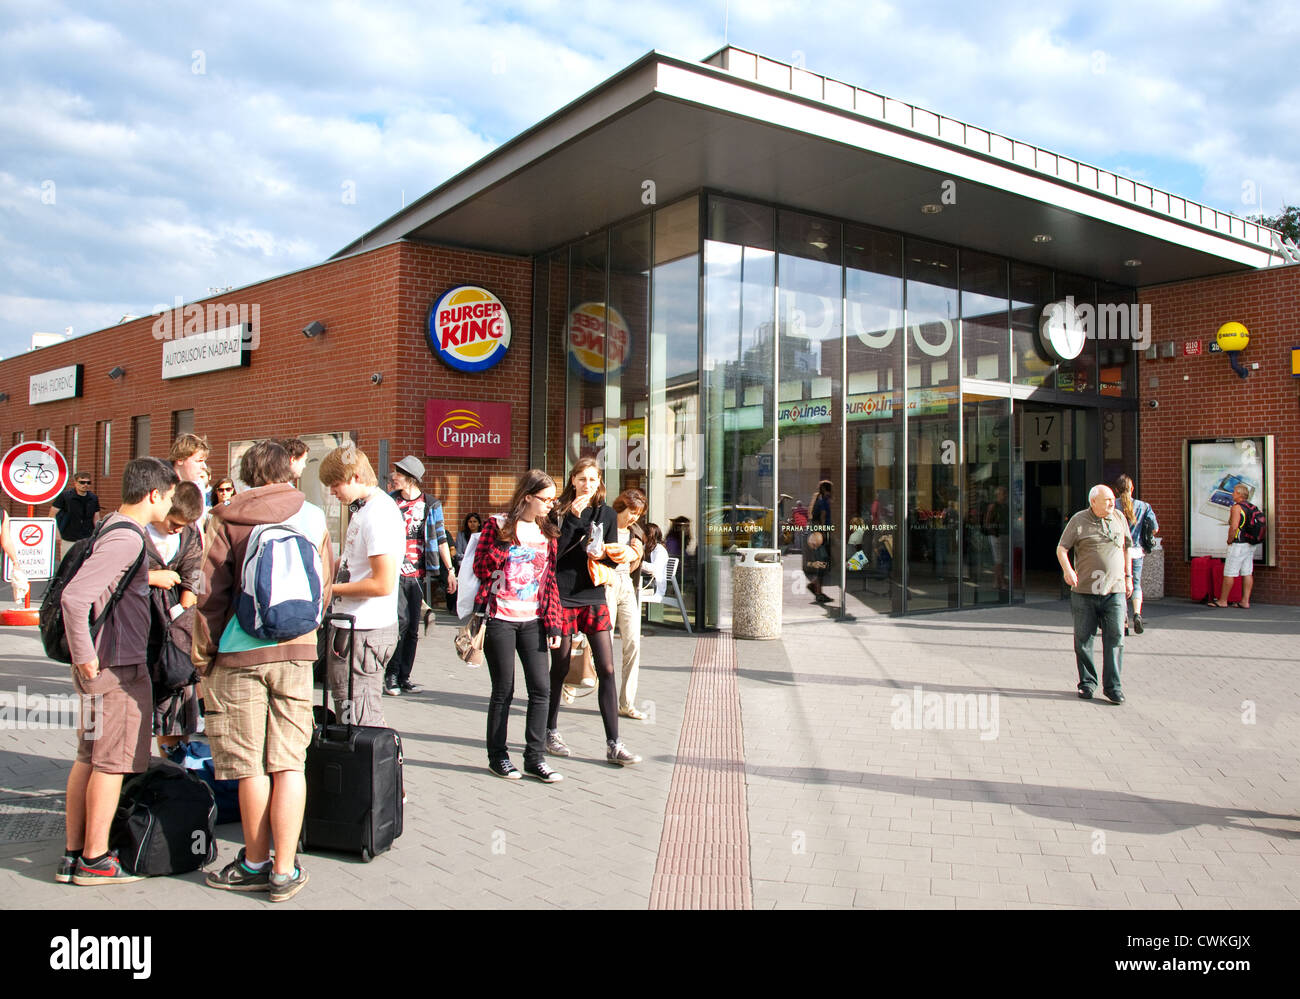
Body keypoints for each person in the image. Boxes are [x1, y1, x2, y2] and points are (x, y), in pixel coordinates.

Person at [196, 439, 331, 902]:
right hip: (296, 651)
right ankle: (284, 870)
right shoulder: (312, 517)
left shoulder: (227, 517)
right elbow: (324, 586)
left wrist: (202, 658)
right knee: (290, 762)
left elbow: (210, 596)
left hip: (237, 654)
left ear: (249, 473)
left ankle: (253, 863)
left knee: (250, 766)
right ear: (289, 474)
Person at [57, 456, 175, 886]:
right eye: (168, 496)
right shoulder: (128, 538)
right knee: (111, 763)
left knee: (88, 758)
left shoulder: (109, 524)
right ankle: (95, 860)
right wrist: (85, 654)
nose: (169, 505)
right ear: (154, 495)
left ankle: (74, 855)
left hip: (102, 665)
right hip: (115, 668)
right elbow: (75, 598)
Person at [545, 458, 641, 766]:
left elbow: (612, 559)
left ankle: (614, 743)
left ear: (600, 483)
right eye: (582, 478)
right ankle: (550, 731)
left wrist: (604, 555)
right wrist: (572, 519)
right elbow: (554, 556)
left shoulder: (607, 514)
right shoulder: (556, 512)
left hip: (594, 595)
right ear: (572, 480)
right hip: (562, 595)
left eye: (593, 479)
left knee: (607, 668)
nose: (588, 484)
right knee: (560, 667)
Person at [472, 470, 564, 782]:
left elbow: (549, 583)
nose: (550, 505)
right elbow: (481, 567)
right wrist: (503, 540)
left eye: (553, 500)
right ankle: (497, 757)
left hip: (534, 620)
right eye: (545, 499)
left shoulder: (548, 533)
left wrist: (554, 625)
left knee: (541, 689)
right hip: (500, 618)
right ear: (527, 496)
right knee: (504, 689)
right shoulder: (497, 525)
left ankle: (534, 758)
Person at [318, 444, 404, 727]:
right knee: (348, 711)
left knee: (360, 719)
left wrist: (329, 589)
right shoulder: (365, 509)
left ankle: (366, 770)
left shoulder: (378, 514)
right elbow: (355, 562)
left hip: (366, 629)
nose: (332, 491)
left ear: (355, 476)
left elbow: (382, 583)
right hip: (354, 628)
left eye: (335, 484)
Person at [384, 455, 456, 695]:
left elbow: (441, 537)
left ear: (412, 478)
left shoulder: (431, 504)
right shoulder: (390, 502)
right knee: (401, 623)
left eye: (399, 474)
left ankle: (404, 676)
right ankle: (391, 675)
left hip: (419, 572)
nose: (394, 477)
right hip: (395, 570)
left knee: (414, 627)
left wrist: (450, 570)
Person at [1056, 484, 1133, 705]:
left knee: (1116, 637)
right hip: (1085, 592)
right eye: (1107, 499)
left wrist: (1129, 577)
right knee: (1083, 639)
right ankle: (1087, 684)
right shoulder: (1079, 520)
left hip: (1114, 591)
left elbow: (1127, 547)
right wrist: (1068, 570)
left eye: (1112, 499)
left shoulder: (1119, 517)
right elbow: (1062, 548)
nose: (1112, 503)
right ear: (1093, 502)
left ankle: (1113, 688)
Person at [147, 481, 205, 752]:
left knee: (176, 713)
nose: (177, 529)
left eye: (183, 525)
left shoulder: (189, 533)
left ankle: (173, 768)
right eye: (173, 522)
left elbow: (194, 574)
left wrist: (181, 611)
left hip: (176, 627)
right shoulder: (134, 530)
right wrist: (150, 577)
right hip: (140, 626)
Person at [607, 489, 647, 720]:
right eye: (632, 512)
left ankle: (626, 702)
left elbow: (632, 569)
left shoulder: (636, 532)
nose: (634, 517)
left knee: (633, 643)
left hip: (626, 586)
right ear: (621, 506)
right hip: (607, 584)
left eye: (638, 513)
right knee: (601, 642)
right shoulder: (606, 526)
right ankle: (573, 678)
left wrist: (638, 555)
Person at [1115, 474, 1157, 632]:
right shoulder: (1144, 506)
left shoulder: (1113, 506)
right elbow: (1154, 527)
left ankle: (1123, 620)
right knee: (1136, 584)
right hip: (1136, 550)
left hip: (1118, 552)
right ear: (1132, 488)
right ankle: (1137, 614)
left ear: (1116, 490)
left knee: (1121, 585)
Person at [1212, 483, 1261, 609]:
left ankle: (1223, 600)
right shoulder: (1252, 507)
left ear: (1239, 494)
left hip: (1238, 544)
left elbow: (1234, 527)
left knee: (1230, 572)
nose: (1232, 494)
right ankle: (1245, 601)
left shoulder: (1237, 507)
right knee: (1247, 572)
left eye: (1234, 492)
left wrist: (1229, 540)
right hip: (1250, 544)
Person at [169, 433, 211, 524]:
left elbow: (199, 523)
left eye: (204, 461)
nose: (204, 466)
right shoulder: (163, 485)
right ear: (180, 459)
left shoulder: (199, 485)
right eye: (198, 461)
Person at [51, 472, 101, 549]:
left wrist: (98, 534)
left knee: (86, 560)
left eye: (88, 483)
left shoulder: (93, 498)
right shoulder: (65, 496)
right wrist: (56, 533)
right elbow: (52, 515)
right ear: (75, 483)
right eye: (82, 482)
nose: (85, 485)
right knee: (68, 560)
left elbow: (96, 518)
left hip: (87, 538)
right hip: (68, 538)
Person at [447, 512, 482, 617]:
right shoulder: (461, 535)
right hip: (464, 564)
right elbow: (458, 553)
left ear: (479, 523)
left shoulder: (483, 535)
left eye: (475, 522)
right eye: (470, 522)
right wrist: (468, 559)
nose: (472, 524)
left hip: (477, 564)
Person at [804, 530, 832, 604]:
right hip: (819, 539)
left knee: (822, 567)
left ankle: (815, 587)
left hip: (821, 538)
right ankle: (818, 592)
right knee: (821, 566)